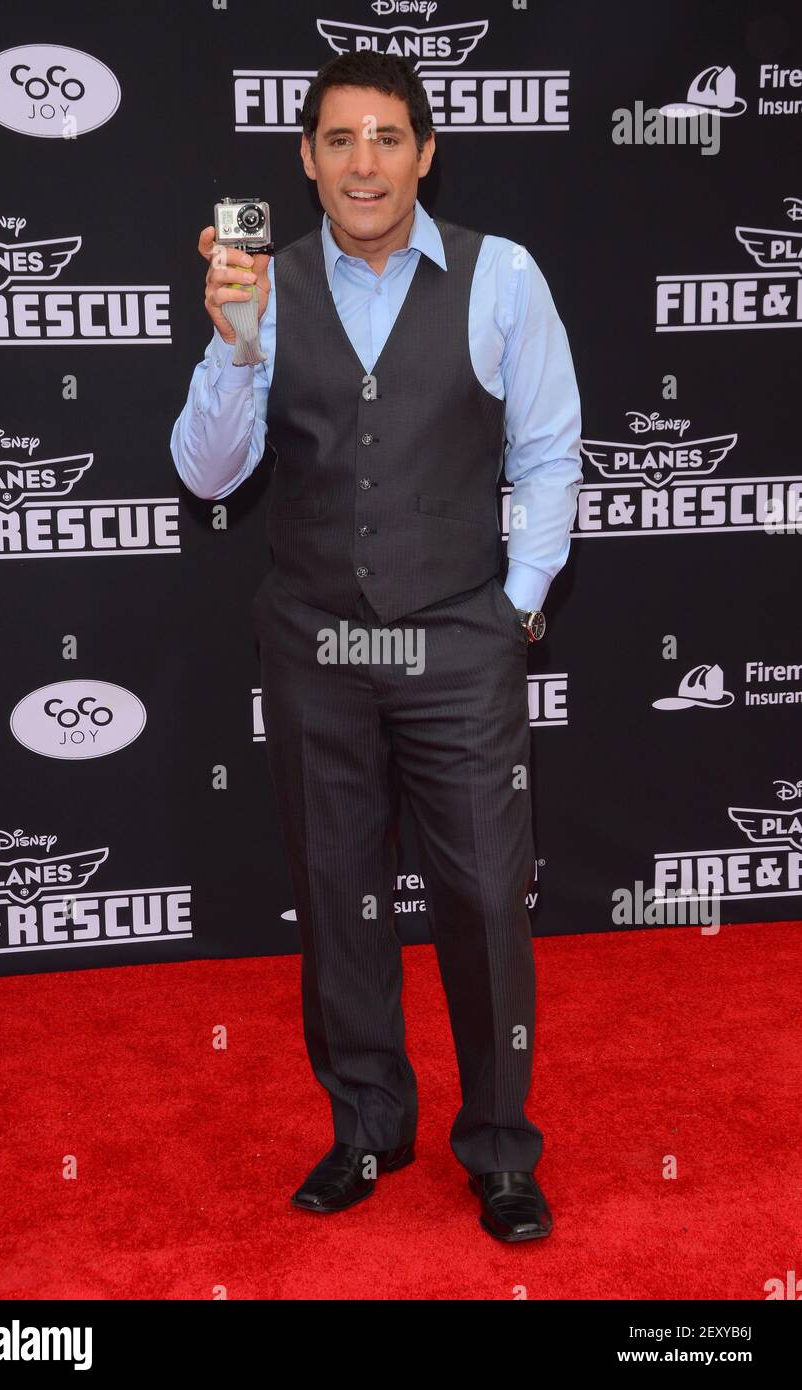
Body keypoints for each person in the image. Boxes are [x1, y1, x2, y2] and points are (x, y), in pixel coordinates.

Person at [170, 50, 583, 1243]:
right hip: (312, 648)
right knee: (338, 894)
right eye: (340, 140)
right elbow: (206, 476)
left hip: (461, 640)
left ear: (425, 153)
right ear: (305, 160)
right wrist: (237, 343)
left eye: (388, 138)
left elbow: (551, 449)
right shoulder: (266, 287)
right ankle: (366, 1125)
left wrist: (515, 603)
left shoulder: (503, 277)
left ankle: (500, 1149)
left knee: (485, 903)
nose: (365, 163)